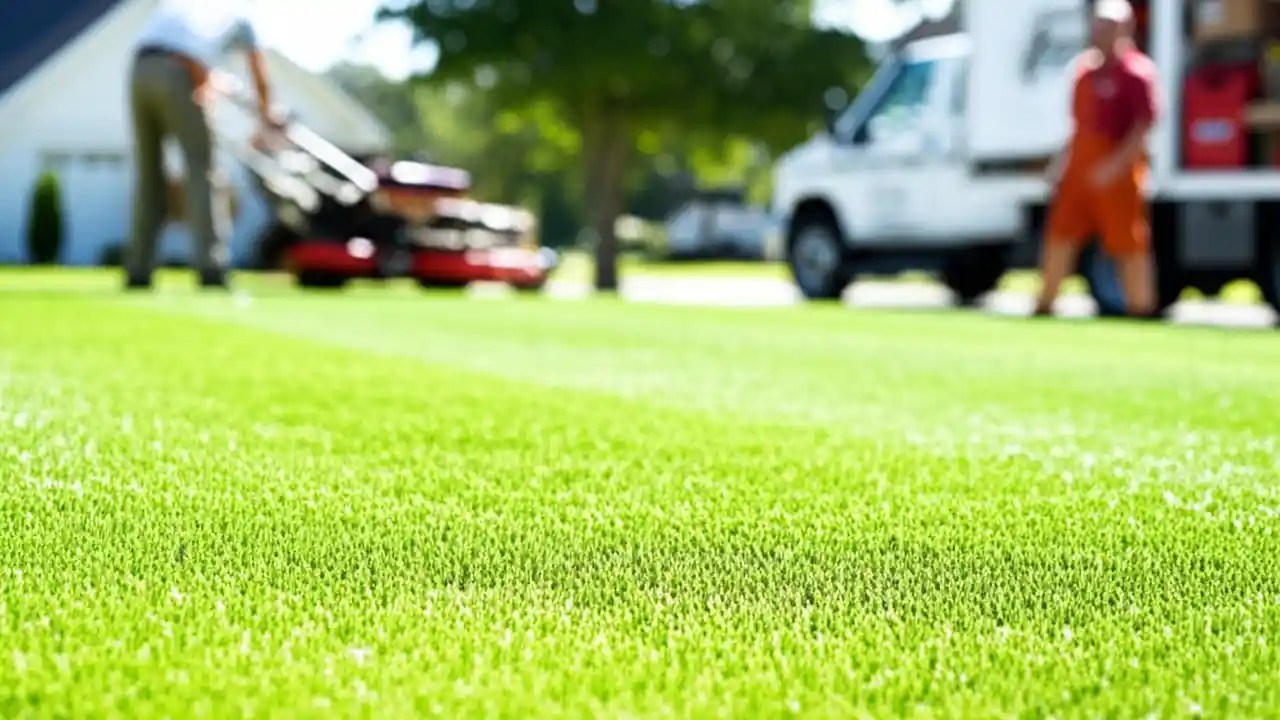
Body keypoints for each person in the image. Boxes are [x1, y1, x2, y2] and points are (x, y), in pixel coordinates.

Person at [124, 0, 279, 290]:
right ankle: (211, 268)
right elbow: (258, 71)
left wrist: (207, 80)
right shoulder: (242, 15)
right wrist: (266, 118)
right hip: (180, 68)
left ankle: (138, 270)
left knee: (149, 174)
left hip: (138, 69)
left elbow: (178, 45)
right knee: (202, 169)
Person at [1035, 0, 1159, 318]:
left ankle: (1140, 308)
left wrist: (1114, 167)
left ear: (1126, 28)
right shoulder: (1084, 71)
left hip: (1116, 173)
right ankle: (1045, 304)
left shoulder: (1137, 72)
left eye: (1109, 25)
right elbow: (1078, 127)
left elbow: (1142, 128)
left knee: (1128, 244)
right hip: (1079, 170)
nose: (1102, 31)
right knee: (1060, 235)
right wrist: (1061, 165)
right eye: (1098, 25)